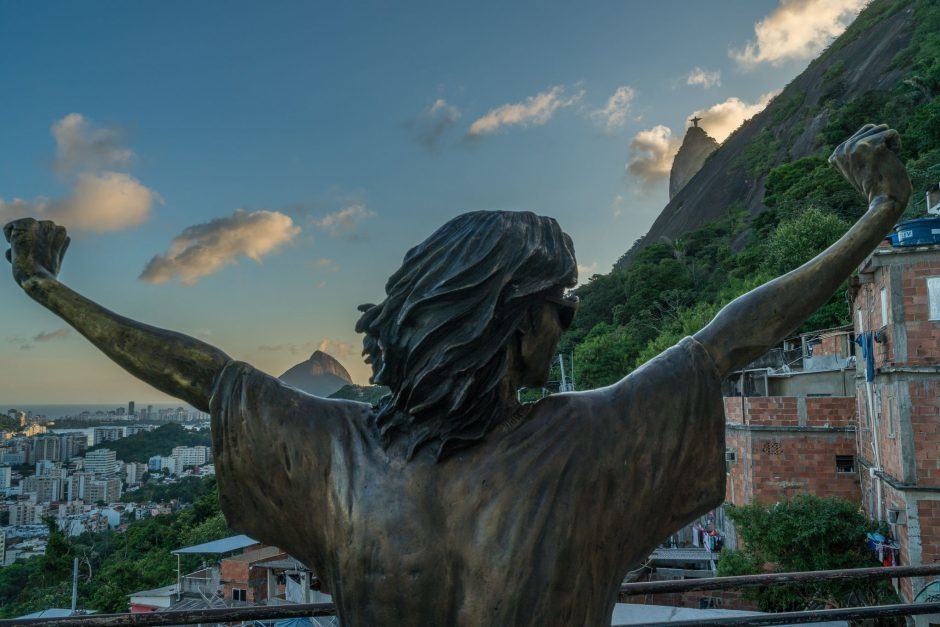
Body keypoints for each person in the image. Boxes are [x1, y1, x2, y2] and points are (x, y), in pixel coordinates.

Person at [3, 125, 912, 626]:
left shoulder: (337, 454)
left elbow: (204, 375)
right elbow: (730, 339)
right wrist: (876, 215)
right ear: (513, 325)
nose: (573, 317)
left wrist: (50, 291)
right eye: (561, 300)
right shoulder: (589, 439)